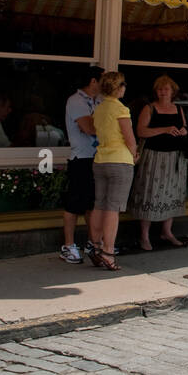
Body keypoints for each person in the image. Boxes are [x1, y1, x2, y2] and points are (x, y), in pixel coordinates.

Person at [131, 74, 188, 251]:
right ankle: (144, 236)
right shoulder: (150, 108)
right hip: (154, 157)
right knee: (150, 192)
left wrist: (182, 132)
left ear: (173, 91)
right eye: (160, 89)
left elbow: (185, 128)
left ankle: (167, 232)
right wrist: (164, 129)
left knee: (172, 193)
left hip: (174, 158)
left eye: (166, 89)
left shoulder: (178, 109)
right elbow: (141, 131)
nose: (163, 92)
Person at [89, 71, 137, 271]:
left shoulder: (99, 109)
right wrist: (134, 154)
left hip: (100, 160)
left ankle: (96, 246)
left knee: (99, 204)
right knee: (113, 208)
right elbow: (129, 138)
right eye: (123, 84)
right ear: (118, 87)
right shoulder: (121, 109)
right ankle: (108, 251)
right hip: (120, 160)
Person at [60, 67, 103, 263]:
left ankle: (93, 243)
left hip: (98, 156)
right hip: (81, 157)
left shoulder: (100, 100)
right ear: (93, 81)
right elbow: (89, 127)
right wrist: (108, 127)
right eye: (103, 79)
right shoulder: (76, 101)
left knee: (92, 204)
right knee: (74, 203)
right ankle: (68, 246)